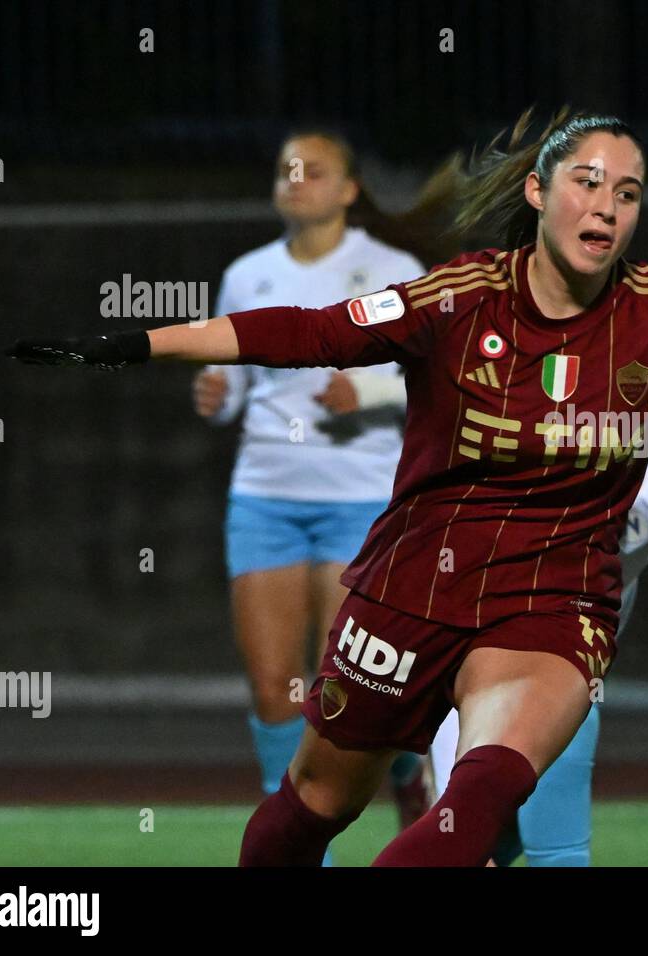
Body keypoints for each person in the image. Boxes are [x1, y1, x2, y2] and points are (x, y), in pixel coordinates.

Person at [7, 106, 648, 867]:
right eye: (587, 181)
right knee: (316, 797)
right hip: (413, 586)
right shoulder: (457, 298)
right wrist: (137, 343)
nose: (608, 205)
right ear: (541, 194)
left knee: (478, 797)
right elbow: (306, 331)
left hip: (552, 606)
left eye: (628, 192)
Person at [193, 130, 432, 853]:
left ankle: (407, 774)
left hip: (361, 501)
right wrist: (216, 392)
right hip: (265, 497)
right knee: (274, 688)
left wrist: (364, 386)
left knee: (346, 692)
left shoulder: (393, 269)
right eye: (285, 169)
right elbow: (238, 384)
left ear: (351, 189)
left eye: (314, 169)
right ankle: (291, 840)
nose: (296, 179)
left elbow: (431, 377)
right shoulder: (245, 275)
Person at [428, 431, 648, 866]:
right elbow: (456, 619)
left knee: (511, 837)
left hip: (571, 672)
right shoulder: (525, 460)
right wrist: (450, 790)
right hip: (488, 666)